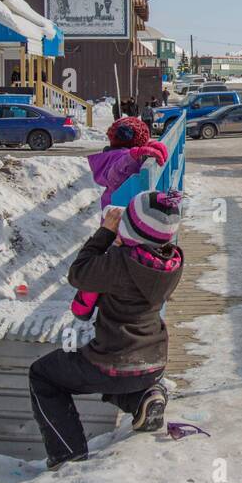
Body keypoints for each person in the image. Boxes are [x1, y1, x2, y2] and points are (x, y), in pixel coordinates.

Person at [30, 194, 184, 468]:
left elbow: (79, 273)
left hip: (114, 359)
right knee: (112, 376)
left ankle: (68, 452)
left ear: (129, 230)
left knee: (43, 375)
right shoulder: (172, 263)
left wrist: (105, 233)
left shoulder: (118, 263)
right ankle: (142, 398)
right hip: (154, 361)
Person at [75, 117, 168, 322]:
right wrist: (135, 155)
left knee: (109, 261)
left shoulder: (113, 154)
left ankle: (87, 300)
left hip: (116, 216)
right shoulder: (123, 158)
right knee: (109, 263)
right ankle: (84, 303)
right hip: (119, 219)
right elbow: (115, 175)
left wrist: (146, 148)